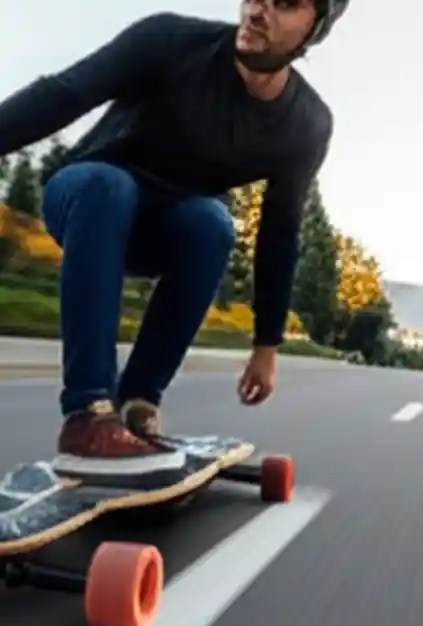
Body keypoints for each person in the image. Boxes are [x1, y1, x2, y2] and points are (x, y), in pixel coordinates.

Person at [0, 0, 348, 475]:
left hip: (160, 232)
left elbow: (281, 232)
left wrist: (267, 346)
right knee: (110, 185)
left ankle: (137, 404)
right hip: (84, 200)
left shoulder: (305, 125)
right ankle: (88, 416)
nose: (258, 10)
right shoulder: (168, 41)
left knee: (213, 224)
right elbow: (61, 94)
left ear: (316, 29)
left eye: (284, 3)